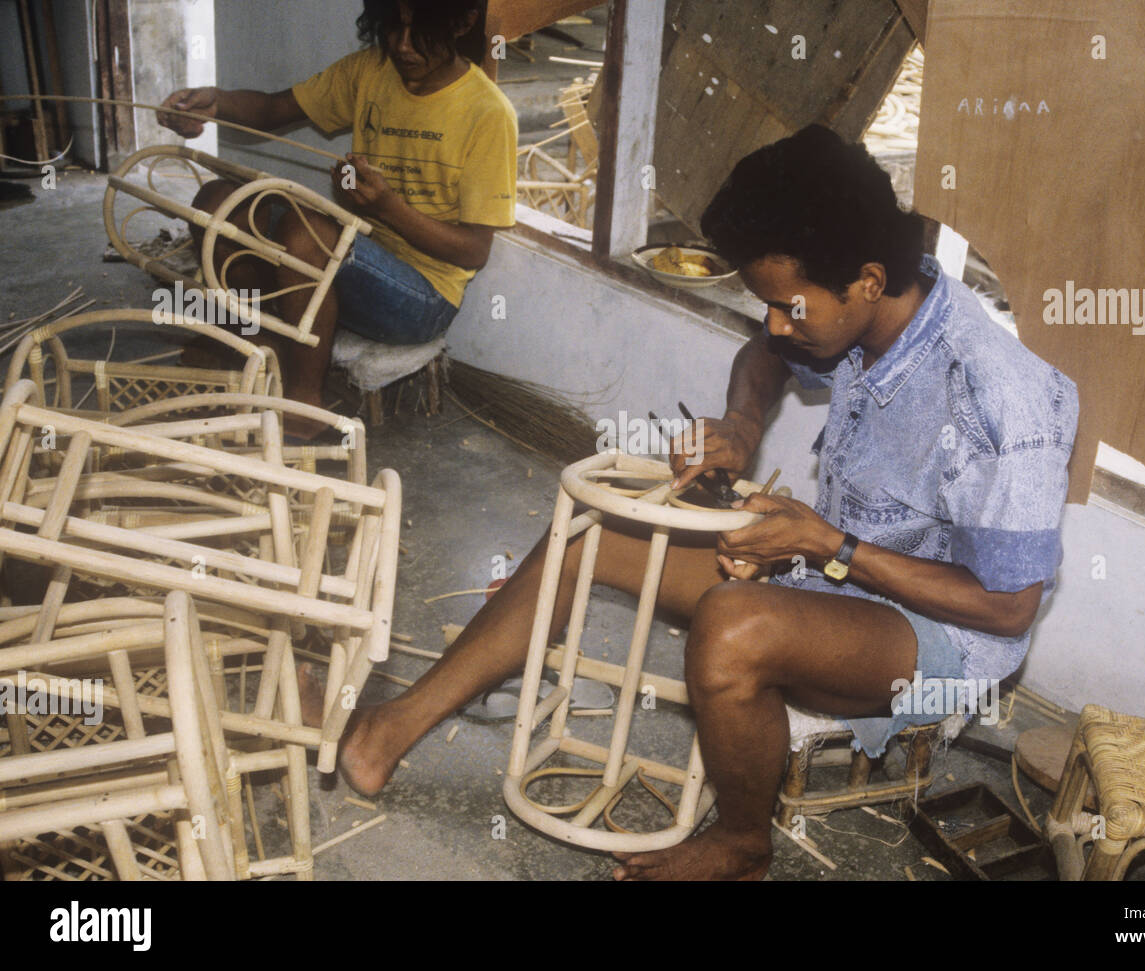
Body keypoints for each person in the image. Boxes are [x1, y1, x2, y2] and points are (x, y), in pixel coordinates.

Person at [300, 124, 1079, 881]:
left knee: (733, 630)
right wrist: (740, 429)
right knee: (591, 532)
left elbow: (1010, 606)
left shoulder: (1002, 395)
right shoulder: (853, 316)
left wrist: (827, 546)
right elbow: (761, 358)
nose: (776, 324)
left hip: (939, 636)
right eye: (768, 304)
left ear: (868, 282)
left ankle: (743, 843)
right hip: (836, 570)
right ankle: (389, 730)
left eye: (789, 307)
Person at [156, 0, 516, 416]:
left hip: (423, 297)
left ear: (463, 22)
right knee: (219, 204)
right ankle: (254, 340)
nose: (402, 46)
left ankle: (305, 403)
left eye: (421, 33)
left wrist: (388, 207)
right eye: (392, 28)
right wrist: (214, 104)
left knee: (304, 232)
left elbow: (474, 250)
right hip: (357, 257)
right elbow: (276, 109)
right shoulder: (371, 69)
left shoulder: (487, 113)